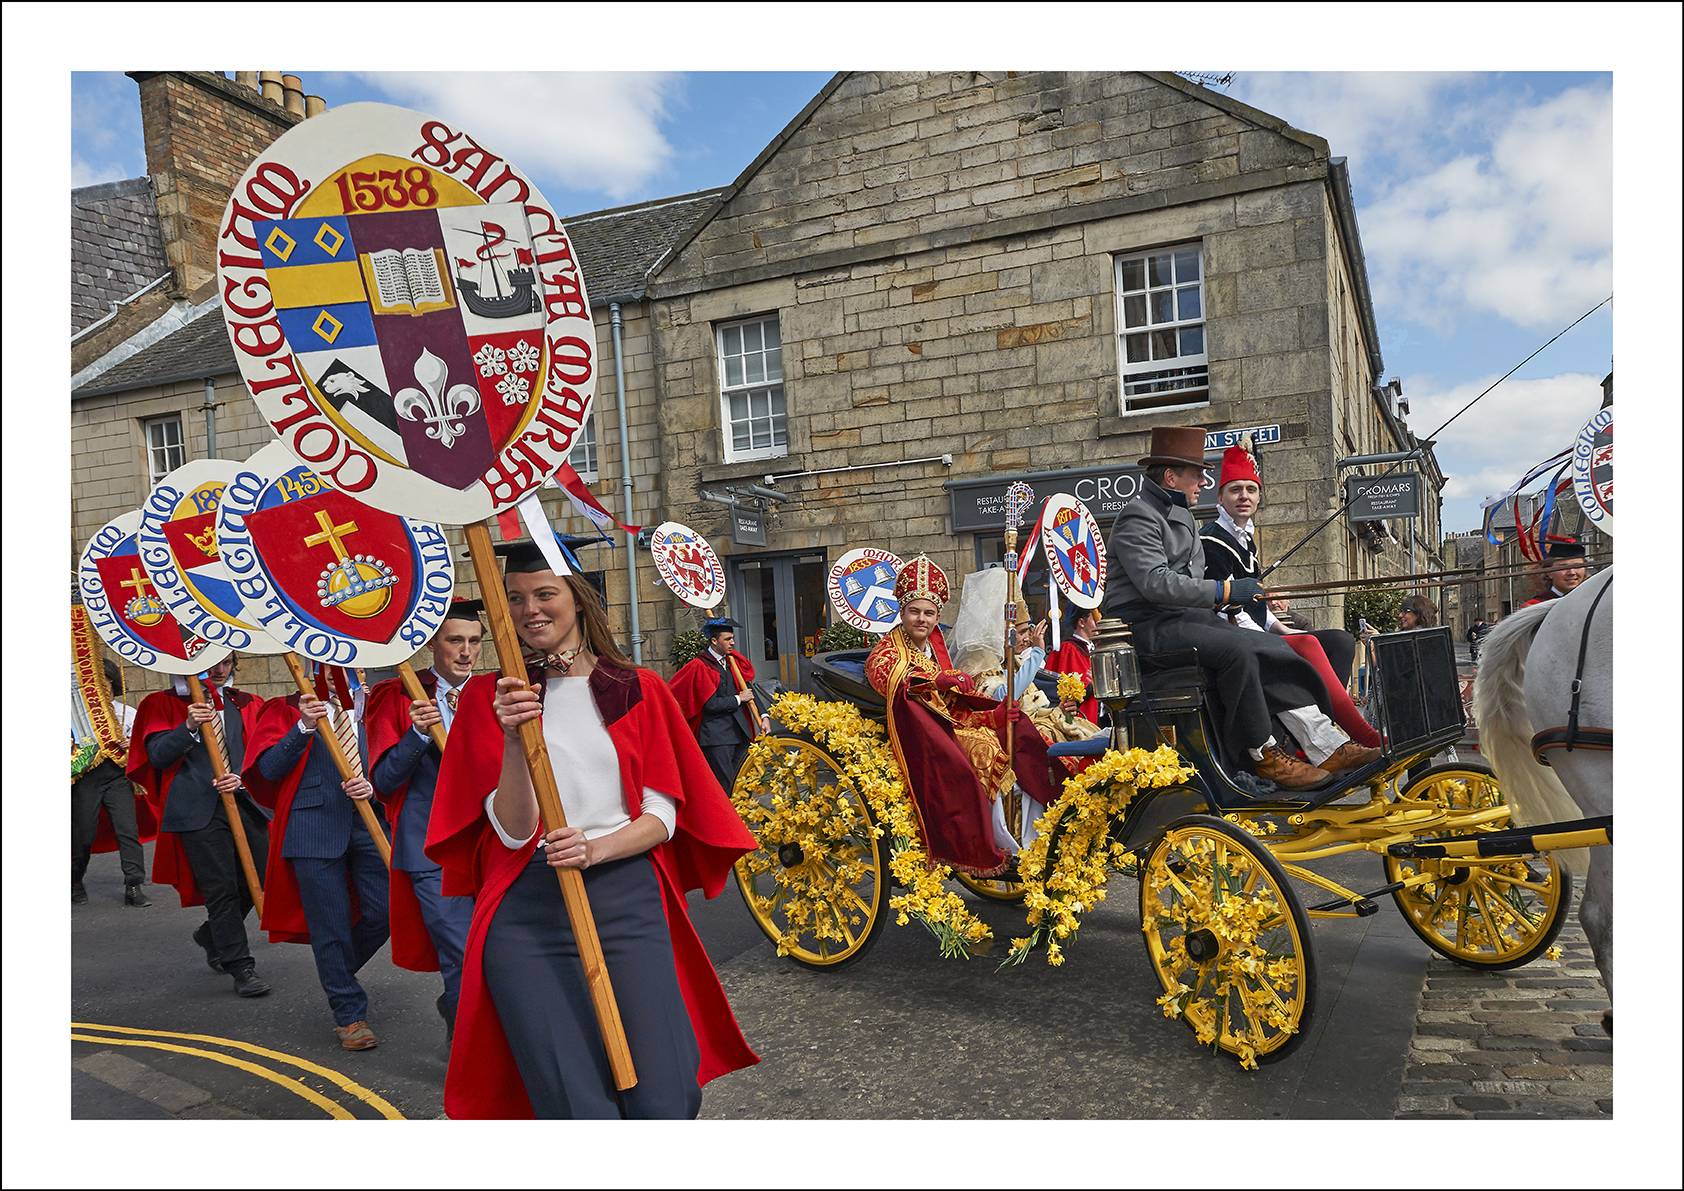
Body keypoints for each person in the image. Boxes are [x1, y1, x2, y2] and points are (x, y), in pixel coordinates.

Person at [425, 541, 759, 1119]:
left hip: (625, 896)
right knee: (573, 1099)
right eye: (515, 598)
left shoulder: (638, 689)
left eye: (545, 594)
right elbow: (510, 831)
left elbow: (662, 815)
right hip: (527, 912)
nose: (531, 609)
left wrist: (595, 848)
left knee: (663, 1090)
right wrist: (512, 739)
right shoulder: (492, 698)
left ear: (578, 600)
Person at [1103, 426, 1381, 790]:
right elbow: (1156, 583)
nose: (1203, 482)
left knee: (1270, 646)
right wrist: (1227, 590)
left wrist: (1229, 598)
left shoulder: (1183, 516)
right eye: (1196, 475)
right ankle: (1262, 753)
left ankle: (1324, 744)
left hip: (1185, 619)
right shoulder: (1138, 517)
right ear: (1171, 477)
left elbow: (1192, 584)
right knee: (1239, 650)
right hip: (1151, 625)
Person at [864, 555, 1056, 874]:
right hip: (920, 732)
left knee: (1018, 736)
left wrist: (988, 715)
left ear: (937, 615)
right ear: (902, 612)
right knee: (985, 755)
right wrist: (933, 680)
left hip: (950, 721)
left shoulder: (936, 649)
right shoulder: (888, 649)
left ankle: (1034, 834)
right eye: (914, 612)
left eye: (929, 613)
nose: (921, 619)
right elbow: (885, 676)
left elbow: (955, 697)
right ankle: (996, 844)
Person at [1199, 445, 1380, 748]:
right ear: (1220, 498)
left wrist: (1281, 628)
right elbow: (1231, 607)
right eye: (1235, 490)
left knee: (1340, 641)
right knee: (1307, 642)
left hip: (1256, 629)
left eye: (1250, 490)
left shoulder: (1246, 539)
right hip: (1235, 635)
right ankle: (1362, 734)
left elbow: (1256, 600)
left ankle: (1318, 729)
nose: (1244, 496)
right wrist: (1267, 637)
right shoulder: (1211, 540)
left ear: (1258, 497)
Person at [246, 676, 391, 1051]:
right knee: (330, 925)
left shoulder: (372, 703)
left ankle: (337, 971)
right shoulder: (285, 707)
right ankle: (348, 1012)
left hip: (369, 821)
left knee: (386, 911)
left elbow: (387, 760)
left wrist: (374, 787)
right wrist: (303, 727)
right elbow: (268, 769)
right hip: (312, 826)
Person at [366, 598, 484, 1045]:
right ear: (433, 643)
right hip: (431, 849)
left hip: (489, 842)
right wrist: (416, 735)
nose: (465, 652)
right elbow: (383, 780)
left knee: (491, 949)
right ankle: (470, 1052)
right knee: (461, 952)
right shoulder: (397, 695)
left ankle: (465, 1018)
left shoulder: (492, 691)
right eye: (455, 640)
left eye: (474, 641)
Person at [127, 654, 272, 997]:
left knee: (260, 880)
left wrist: (245, 781)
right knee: (220, 888)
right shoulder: (159, 704)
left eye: (225, 662)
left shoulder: (246, 703)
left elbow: (259, 753)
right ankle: (241, 966)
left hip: (246, 804)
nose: (219, 671)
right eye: (211, 664)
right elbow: (159, 756)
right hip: (197, 811)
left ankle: (211, 935)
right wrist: (188, 726)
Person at [72, 660, 153, 906]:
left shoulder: (126, 712)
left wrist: (134, 744)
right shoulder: (75, 715)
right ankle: (74, 880)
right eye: (96, 682)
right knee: (83, 833)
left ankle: (134, 884)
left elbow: (144, 742)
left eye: (105, 682)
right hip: (87, 777)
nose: (101, 687)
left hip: (117, 776)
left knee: (127, 830)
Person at [667, 617, 768, 794]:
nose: (733, 642)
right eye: (728, 639)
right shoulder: (701, 666)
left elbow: (748, 689)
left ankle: (742, 818)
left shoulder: (733, 662)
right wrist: (738, 699)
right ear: (714, 641)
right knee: (726, 786)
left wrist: (764, 716)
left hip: (740, 733)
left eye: (732, 638)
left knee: (745, 782)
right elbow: (710, 704)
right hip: (717, 738)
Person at [1045, 605, 1102, 725]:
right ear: (1082, 622)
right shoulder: (1069, 649)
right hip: (1080, 719)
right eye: (1094, 618)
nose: (1099, 622)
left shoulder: (1095, 648)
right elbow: (1069, 691)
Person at [1522, 539, 1589, 607]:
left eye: (1577, 566)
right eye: (1563, 567)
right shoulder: (1535, 606)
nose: (1571, 572)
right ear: (1549, 572)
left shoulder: (1593, 601)